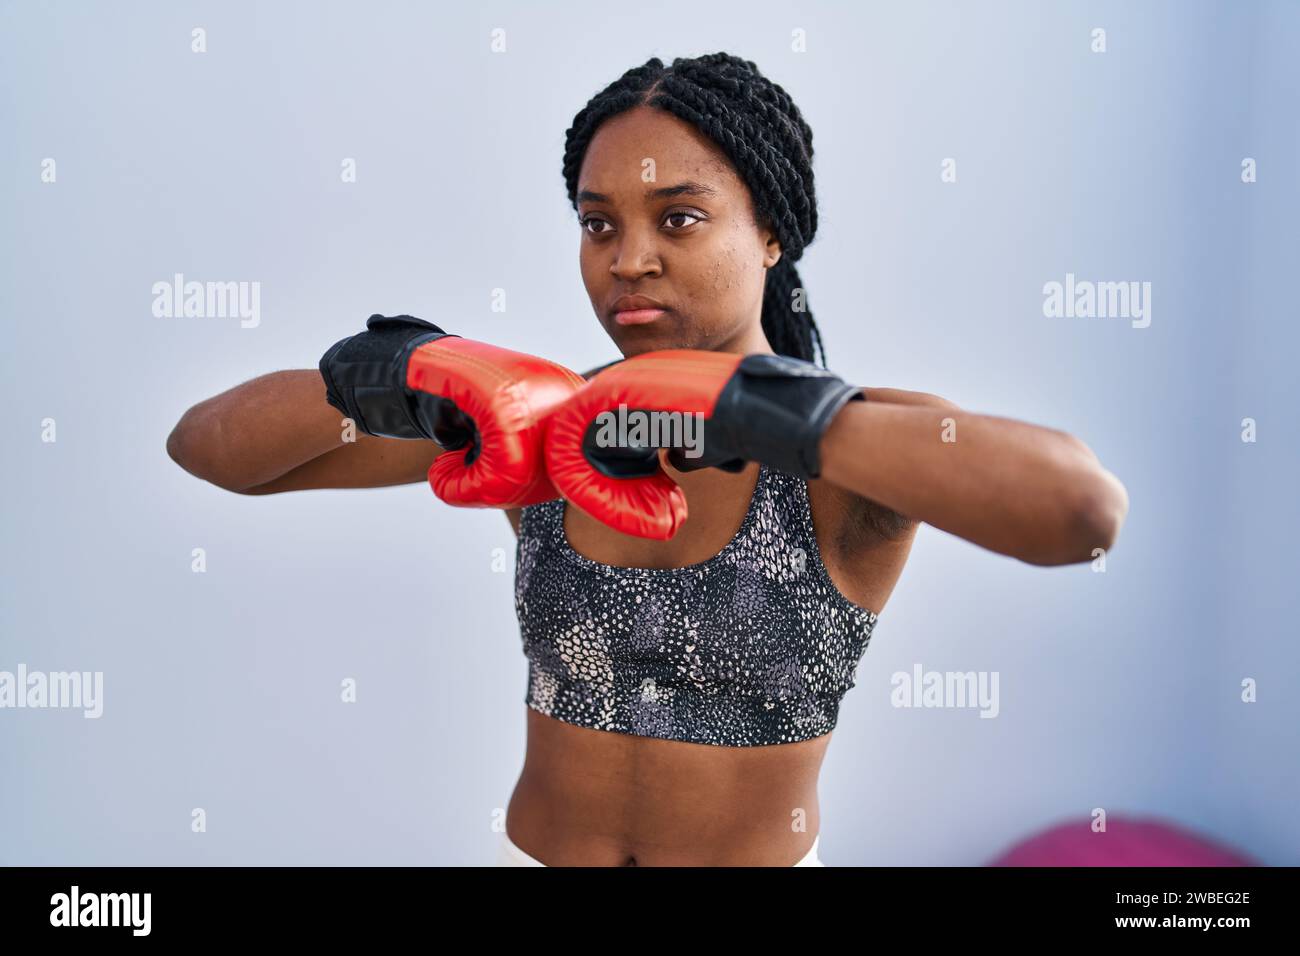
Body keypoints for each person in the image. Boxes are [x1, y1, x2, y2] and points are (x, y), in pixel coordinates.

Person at [166, 52, 1129, 867]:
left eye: (677, 217)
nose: (628, 258)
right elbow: (208, 449)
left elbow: (1081, 510)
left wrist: (765, 415)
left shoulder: (844, 451)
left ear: (770, 233)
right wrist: (402, 370)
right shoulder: (544, 423)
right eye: (598, 223)